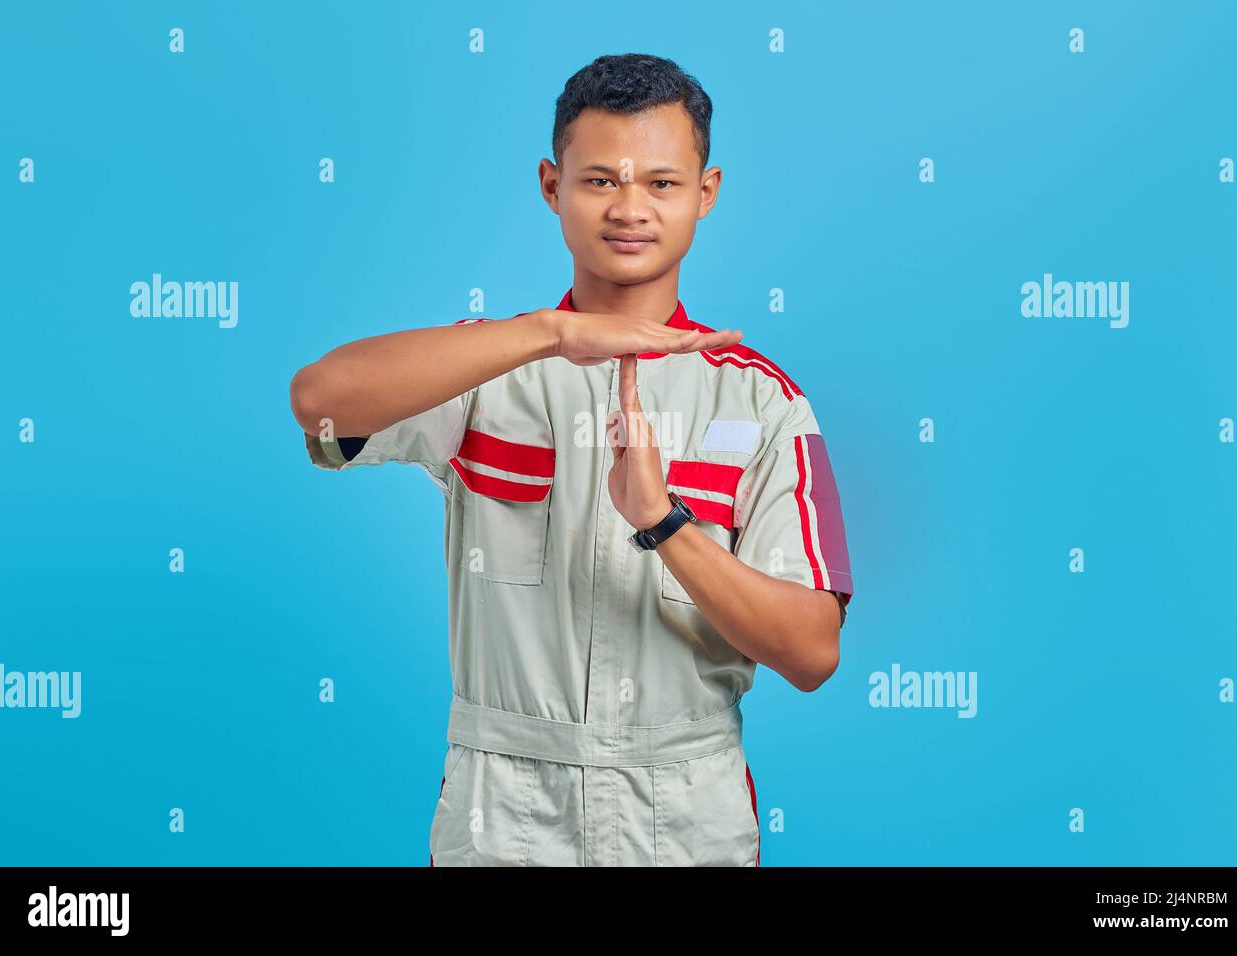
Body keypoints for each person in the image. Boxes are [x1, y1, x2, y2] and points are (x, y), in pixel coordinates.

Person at [289, 53, 853, 866]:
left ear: (707, 192)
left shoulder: (762, 404)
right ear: (552, 187)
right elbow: (320, 400)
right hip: (505, 815)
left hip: (685, 819)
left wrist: (666, 522)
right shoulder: (486, 375)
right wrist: (550, 334)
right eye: (599, 181)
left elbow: (812, 652)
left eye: (661, 182)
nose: (630, 208)